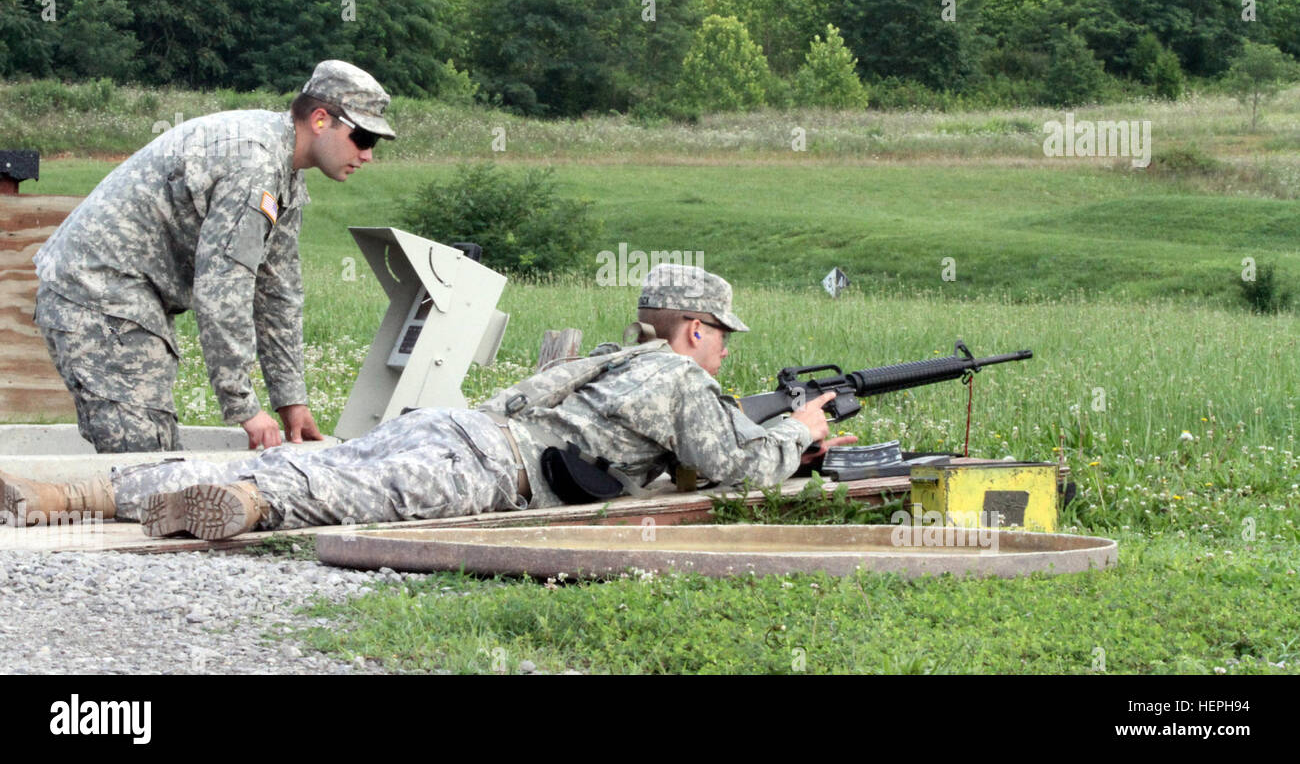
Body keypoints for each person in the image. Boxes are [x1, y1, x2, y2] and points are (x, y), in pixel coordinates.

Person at [2, 266, 857, 537]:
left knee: (328, 459)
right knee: (343, 494)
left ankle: (72, 493)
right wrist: (803, 432)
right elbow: (737, 468)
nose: (726, 351)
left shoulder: (612, 362)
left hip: (461, 423)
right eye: (722, 336)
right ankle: (246, 502)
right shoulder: (681, 379)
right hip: (491, 465)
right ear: (696, 330)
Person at [32, 60, 396, 454]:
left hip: (129, 297)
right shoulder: (253, 163)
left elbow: (277, 292)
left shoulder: (284, 170)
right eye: (362, 138)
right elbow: (223, 288)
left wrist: (291, 400)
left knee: (155, 455)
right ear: (321, 120)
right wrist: (243, 405)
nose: (368, 155)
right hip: (96, 294)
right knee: (140, 458)